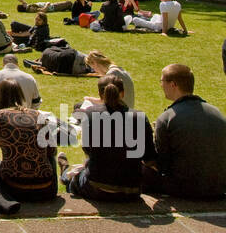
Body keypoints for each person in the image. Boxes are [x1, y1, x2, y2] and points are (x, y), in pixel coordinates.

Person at [59, 71, 155, 201]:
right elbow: (149, 157)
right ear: (123, 93)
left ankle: (65, 174)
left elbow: (87, 149)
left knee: (74, 177)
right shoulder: (139, 117)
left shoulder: (91, 114)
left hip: (96, 187)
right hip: (131, 191)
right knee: (82, 170)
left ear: (100, 95)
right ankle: (67, 173)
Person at [147, 64, 226, 198]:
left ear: (173, 84)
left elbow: (162, 163)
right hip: (218, 186)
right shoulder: (216, 113)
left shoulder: (167, 117)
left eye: (162, 81)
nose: (161, 85)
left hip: (184, 188)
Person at [0, 79, 58, 200]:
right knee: (50, 157)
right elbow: (52, 151)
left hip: (12, 189)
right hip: (46, 189)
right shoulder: (38, 115)